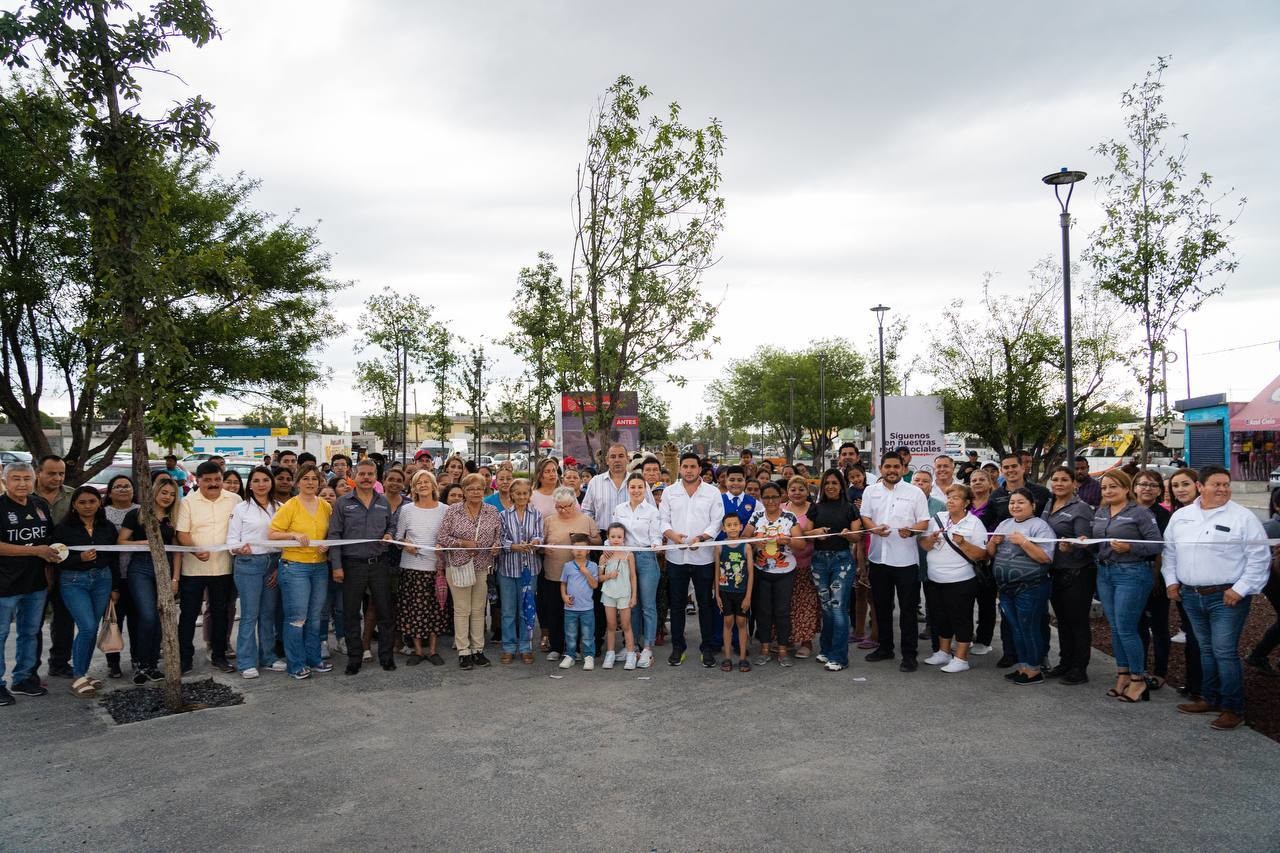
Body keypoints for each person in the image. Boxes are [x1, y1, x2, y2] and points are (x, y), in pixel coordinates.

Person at [1163, 465, 1271, 730]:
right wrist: (1172, 581)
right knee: (1206, 650)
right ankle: (1209, 698)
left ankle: (1233, 708)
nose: (1223, 489)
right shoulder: (1182, 516)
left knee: (1224, 652)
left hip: (1226, 598)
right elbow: (1170, 552)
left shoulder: (1243, 518)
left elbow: (1259, 558)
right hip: (1191, 596)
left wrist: (1241, 589)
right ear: (1200, 486)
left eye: (1226, 484)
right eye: (1217, 484)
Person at [1089, 469, 1163, 703]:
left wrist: (1131, 548)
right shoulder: (1101, 512)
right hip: (1105, 573)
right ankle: (1122, 675)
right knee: (1115, 627)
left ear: (1126, 489)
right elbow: (1099, 543)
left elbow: (1156, 545)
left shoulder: (1140, 513)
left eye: (1113, 487)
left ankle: (1138, 680)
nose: (1108, 491)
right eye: (1104, 487)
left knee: (1126, 628)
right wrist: (1084, 543)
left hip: (1131, 573)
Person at [860, 452, 930, 672]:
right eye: (887, 466)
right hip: (879, 559)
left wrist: (911, 531)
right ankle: (885, 647)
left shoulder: (915, 492)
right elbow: (865, 516)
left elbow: (924, 522)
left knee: (908, 611)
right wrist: (873, 528)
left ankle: (909, 655)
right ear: (880, 468)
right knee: (882, 607)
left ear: (903, 468)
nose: (892, 470)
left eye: (896, 467)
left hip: (906, 561)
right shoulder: (871, 491)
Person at [328, 459, 398, 675]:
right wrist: (337, 566)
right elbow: (334, 535)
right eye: (362, 474)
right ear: (355, 476)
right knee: (351, 614)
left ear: (376, 477)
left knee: (385, 613)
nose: (366, 478)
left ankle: (387, 657)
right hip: (352, 565)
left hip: (378, 564)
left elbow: (391, 525)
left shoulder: (383, 502)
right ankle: (354, 658)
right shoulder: (343, 503)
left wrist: (390, 534)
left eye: (370, 474)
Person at [50, 486, 119, 698]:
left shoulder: (107, 527)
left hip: (102, 580)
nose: (87, 506)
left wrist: (115, 587)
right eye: (82, 502)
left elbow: (114, 558)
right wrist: (78, 559)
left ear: (99, 503)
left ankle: (84, 673)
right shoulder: (63, 529)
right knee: (87, 627)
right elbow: (55, 558)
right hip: (73, 581)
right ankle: (78, 675)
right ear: (74, 505)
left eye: (92, 501)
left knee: (91, 628)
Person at [268, 462, 333, 680]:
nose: (310, 482)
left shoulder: (325, 506)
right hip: (295, 567)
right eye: (305, 478)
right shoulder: (290, 506)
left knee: (315, 617)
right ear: (298, 482)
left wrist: (326, 543)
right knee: (297, 617)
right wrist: (293, 535)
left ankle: (314, 659)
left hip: (320, 566)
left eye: (314, 478)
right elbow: (272, 533)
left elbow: (330, 533)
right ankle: (295, 663)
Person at [659, 452, 725, 668]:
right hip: (676, 556)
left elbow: (717, 521)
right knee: (676, 604)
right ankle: (678, 647)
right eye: (685, 466)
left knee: (705, 604)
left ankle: (707, 648)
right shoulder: (669, 492)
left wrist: (703, 537)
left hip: (703, 556)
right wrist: (672, 535)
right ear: (680, 468)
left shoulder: (712, 492)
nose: (689, 470)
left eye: (693, 467)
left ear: (699, 469)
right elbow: (663, 520)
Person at [175, 461, 241, 675]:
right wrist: (194, 550)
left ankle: (219, 656)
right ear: (198, 480)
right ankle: (184, 658)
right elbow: (182, 534)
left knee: (221, 613)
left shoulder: (235, 500)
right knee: (188, 614)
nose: (213, 484)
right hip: (193, 569)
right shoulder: (187, 503)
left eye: (217, 479)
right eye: (208, 480)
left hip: (223, 567)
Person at [0, 462, 57, 705]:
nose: (22, 483)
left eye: (26, 478)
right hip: (4, 585)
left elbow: (49, 542)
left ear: (34, 480)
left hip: (36, 584)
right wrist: (35, 552)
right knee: (1, 635)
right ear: (4, 481)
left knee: (30, 633)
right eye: (15, 478)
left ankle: (22, 678)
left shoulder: (40, 505)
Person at [435, 472, 503, 670]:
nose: (475, 492)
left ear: (485, 490)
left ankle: (478, 650)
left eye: (479, 488)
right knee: (462, 609)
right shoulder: (453, 511)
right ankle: (463, 651)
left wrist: (496, 546)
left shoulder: (491, 511)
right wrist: (463, 543)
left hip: (482, 565)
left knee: (478, 609)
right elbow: (442, 537)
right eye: (471, 488)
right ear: (464, 491)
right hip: (458, 565)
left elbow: (498, 536)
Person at [987, 489, 1055, 685]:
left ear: (1032, 505)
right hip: (1006, 588)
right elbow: (990, 554)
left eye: (1020, 502)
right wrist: (993, 541)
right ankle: (1023, 666)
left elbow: (1045, 558)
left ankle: (1034, 669)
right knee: (1016, 627)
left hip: (1030, 587)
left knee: (1029, 627)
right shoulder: (1004, 524)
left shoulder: (1040, 526)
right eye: (1012, 502)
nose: (1015, 506)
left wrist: (1024, 542)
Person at [919, 484, 988, 673]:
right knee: (940, 617)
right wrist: (931, 540)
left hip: (961, 580)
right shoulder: (938, 518)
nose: (950, 501)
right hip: (935, 578)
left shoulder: (974, 523)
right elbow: (924, 545)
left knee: (961, 618)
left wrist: (963, 542)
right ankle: (943, 652)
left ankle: (961, 658)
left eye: (956, 498)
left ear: (966, 502)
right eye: (949, 497)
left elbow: (982, 554)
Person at [118, 479, 180, 684]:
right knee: (147, 616)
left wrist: (175, 578)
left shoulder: (173, 518)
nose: (167, 497)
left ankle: (152, 665)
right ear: (154, 491)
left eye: (172, 494)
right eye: (164, 492)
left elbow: (178, 552)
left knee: (161, 618)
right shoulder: (136, 514)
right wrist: (142, 542)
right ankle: (140, 664)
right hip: (141, 569)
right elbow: (121, 541)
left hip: (165, 569)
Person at [1040, 466, 1096, 684]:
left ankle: (1079, 668)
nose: (1059, 483)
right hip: (1056, 572)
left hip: (1078, 573)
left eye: (1064, 479)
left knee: (1077, 621)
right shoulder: (1049, 504)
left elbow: (1088, 542)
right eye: (1055, 479)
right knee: (1062, 621)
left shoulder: (1081, 508)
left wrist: (1072, 547)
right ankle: (1065, 662)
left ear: (1074, 484)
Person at [227, 466, 283, 678]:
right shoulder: (241, 508)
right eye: (256, 480)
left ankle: (268, 657)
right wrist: (238, 548)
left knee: (268, 614)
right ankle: (246, 661)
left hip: (274, 563)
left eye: (265, 480)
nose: (261, 484)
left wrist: (278, 567)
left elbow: (284, 539)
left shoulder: (280, 507)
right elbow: (231, 541)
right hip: (249, 564)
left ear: (271, 483)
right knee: (250, 615)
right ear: (250, 485)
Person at [807, 469, 862, 672]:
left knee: (839, 608)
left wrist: (849, 534)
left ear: (841, 486)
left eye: (835, 483)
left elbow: (857, 537)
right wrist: (815, 533)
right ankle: (826, 649)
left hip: (842, 561)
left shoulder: (850, 508)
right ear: (823, 485)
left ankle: (840, 657)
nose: (831, 486)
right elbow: (805, 533)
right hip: (819, 561)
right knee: (826, 608)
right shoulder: (815, 507)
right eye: (827, 483)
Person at [397, 470, 451, 667]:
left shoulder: (444, 509)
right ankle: (418, 651)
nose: (423, 485)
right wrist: (405, 543)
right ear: (414, 487)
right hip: (412, 567)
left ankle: (434, 650)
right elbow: (397, 536)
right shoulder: (407, 510)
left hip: (436, 567)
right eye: (419, 482)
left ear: (434, 485)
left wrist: (442, 547)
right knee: (415, 610)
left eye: (427, 481)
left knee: (436, 609)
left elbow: (448, 535)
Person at [539, 486, 600, 661]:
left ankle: (578, 647)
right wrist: (545, 550)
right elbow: (540, 545)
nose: (564, 510)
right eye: (559, 507)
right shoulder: (549, 521)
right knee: (555, 611)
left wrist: (585, 539)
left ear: (575, 503)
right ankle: (557, 646)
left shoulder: (586, 520)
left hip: (580, 577)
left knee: (580, 613)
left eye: (567, 506)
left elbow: (598, 541)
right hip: (555, 573)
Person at [745, 481, 799, 667]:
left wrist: (789, 540)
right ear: (761, 498)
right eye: (766, 497)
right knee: (763, 611)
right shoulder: (756, 516)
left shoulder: (789, 517)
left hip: (785, 571)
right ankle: (765, 648)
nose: (770, 501)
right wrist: (754, 542)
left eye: (774, 497)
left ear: (781, 497)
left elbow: (801, 544)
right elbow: (744, 538)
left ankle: (783, 649)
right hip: (761, 571)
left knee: (783, 611)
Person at [613, 472, 662, 668]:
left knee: (648, 606)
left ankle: (648, 648)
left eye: (640, 487)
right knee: (631, 604)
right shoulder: (619, 509)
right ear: (627, 489)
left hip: (646, 558)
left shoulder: (652, 511)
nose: (636, 490)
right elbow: (615, 533)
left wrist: (656, 544)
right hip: (625, 559)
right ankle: (631, 646)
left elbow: (656, 535)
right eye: (632, 487)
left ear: (645, 489)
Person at [34, 454, 74, 680]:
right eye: (51, 473)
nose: (57, 478)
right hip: (31, 567)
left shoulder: (72, 495)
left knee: (64, 618)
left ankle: (59, 663)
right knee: (33, 621)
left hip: (65, 566)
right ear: (38, 472)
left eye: (61, 474)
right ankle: (30, 668)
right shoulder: (24, 495)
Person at [496, 477, 543, 665]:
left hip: (529, 568)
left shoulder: (537, 514)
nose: (522, 496)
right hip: (508, 568)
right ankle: (508, 646)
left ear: (529, 495)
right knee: (508, 610)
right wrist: (513, 546)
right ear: (512, 495)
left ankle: (525, 646)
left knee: (527, 609)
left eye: (525, 493)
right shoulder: (503, 515)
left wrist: (536, 542)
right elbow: (500, 539)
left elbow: (540, 535)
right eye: (518, 493)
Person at [1166, 467, 1204, 698]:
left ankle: (1204, 688)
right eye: (1176, 486)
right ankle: (1194, 684)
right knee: (1192, 637)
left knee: (1204, 641)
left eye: (1185, 484)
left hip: (1207, 587)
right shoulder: (1177, 515)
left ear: (1198, 485)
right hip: (1183, 586)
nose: (1180, 489)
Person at [1133, 469, 1173, 689]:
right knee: (1136, 625)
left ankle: (1160, 671)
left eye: (1153, 485)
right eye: (1143, 484)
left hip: (1155, 574)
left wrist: (1157, 576)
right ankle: (1140, 669)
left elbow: (1162, 549)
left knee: (1159, 625)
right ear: (1134, 487)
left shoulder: (1164, 515)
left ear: (1159, 491)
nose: (1147, 488)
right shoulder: (1127, 511)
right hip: (1130, 575)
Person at [102, 475, 138, 679]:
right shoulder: (103, 514)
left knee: (137, 620)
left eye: (127, 485)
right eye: (118, 486)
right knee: (113, 620)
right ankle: (113, 662)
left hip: (137, 574)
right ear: (109, 492)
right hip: (112, 575)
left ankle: (137, 657)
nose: (123, 489)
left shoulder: (141, 511)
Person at [1243, 489, 1280, 677]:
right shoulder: (1268, 528)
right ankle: (1258, 655)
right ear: (1276, 506)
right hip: (1275, 582)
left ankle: (1258, 655)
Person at [783, 475, 819, 659]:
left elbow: (816, 534)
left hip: (807, 564)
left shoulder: (814, 510)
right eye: (793, 489)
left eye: (801, 489)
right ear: (787, 492)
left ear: (807, 491)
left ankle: (806, 641)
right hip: (782, 565)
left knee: (805, 604)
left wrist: (801, 534)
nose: (797, 493)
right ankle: (787, 639)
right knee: (785, 604)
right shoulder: (781, 509)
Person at [966, 468, 1000, 655]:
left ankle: (984, 639)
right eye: (974, 480)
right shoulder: (966, 505)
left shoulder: (995, 506)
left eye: (981, 479)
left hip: (988, 559)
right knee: (965, 600)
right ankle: (966, 636)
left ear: (989, 483)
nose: (977, 482)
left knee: (986, 601)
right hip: (965, 557)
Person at [716, 513, 754, 672]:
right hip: (725, 591)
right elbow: (716, 571)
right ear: (723, 528)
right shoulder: (719, 546)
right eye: (729, 525)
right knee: (727, 622)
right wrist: (717, 594)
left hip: (741, 592)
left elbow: (751, 573)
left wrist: (748, 597)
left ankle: (743, 658)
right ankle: (727, 657)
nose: (732, 528)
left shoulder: (746, 546)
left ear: (740, 527)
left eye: (735, 525)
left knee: (741, 623)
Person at [598, 522, 637, 670]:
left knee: (626, 625)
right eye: (613, 536)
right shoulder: (604, 556)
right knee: (611, 625)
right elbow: (598, 578)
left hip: (624, 594)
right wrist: (609, 575)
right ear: (607, 537)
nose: (616, 539)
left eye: (619, 536)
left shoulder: (629, 555)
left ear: (624, 538)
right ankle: (610, 653)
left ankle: (631, 654)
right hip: (608, 594)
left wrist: (634, 596)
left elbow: (633, 576)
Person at [558, 533, 599, 670]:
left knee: (588, 634)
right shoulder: (568, 566)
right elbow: (563, 583)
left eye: (582, 548)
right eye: (576, 548)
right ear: (571, 550)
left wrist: (586, 573)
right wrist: (563, 596)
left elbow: (594, 585)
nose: (579, 551)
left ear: (588, 550)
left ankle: (589, 656)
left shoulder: (592, 566)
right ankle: (570, 655)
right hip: (570, 608)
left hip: (587, 608)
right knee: (570, 634)